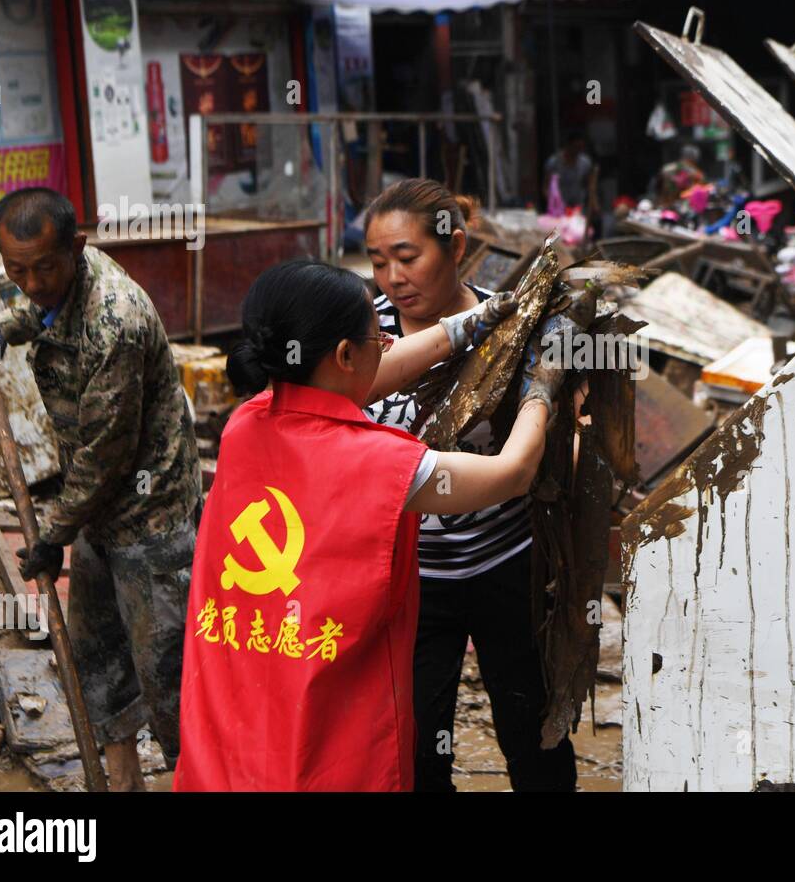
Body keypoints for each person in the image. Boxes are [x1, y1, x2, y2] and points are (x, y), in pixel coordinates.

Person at [173, 259, 570, 791]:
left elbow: (348, 384)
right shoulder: (384, 465)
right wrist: (541, 383)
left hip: (242, 705)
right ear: (343, 354)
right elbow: (513, 473)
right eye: (376, 338)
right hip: (328, 724)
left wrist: (467, 325)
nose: (385, 344)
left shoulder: (246, 424)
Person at [0, 187, 199, 791]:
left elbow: (105, 457)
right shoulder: (53, 288)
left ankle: (198, 779)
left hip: (152, 515)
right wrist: (0, 330)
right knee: (97, 658)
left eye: (45, 267)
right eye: (18, 270)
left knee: (168, 673)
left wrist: (53, 534)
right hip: (98, 512)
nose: (33, 282)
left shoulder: (115, 321)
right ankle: (121, 782)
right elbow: (39, 312)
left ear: (78, 247)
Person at [364, 177, 579, 792]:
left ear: (455, 246)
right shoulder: (358, 336)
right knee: (417, 751)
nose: (392, 277)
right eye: (378, 262)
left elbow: (544, 446)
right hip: (410, 577)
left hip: (505, 565)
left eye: (407, 257)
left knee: (533, 735)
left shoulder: (510, 327)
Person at [542, 132, 598, 213]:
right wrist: (552, 202)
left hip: (578, 207)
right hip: (559, 208)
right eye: (576, 147)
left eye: (581, 148)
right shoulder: (554, 163)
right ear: (568, 145)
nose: (578, 151)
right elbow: (546, 187)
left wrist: (594, 204)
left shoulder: (585, 163)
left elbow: (591, 186)